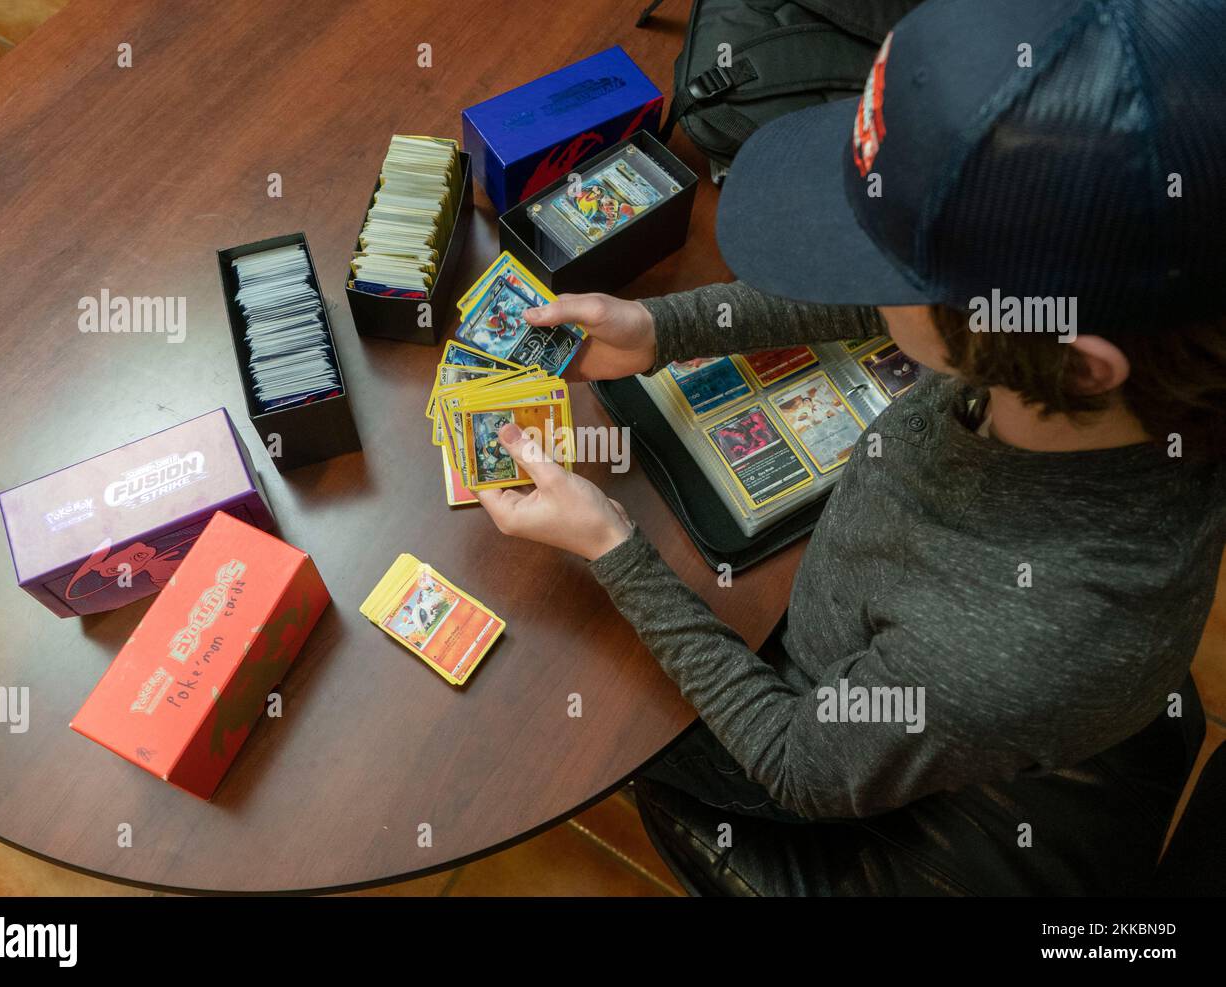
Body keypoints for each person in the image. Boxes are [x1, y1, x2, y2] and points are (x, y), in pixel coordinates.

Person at [477, 0, 1226, 894]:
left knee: (545, 698)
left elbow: (791, 761)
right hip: (867, 618)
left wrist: (613, 545)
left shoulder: (1001, 643)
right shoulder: (1130, 351)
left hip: (804, 726)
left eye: (884, 261)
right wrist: (662, 328)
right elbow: (913, 308)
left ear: (1069, 361)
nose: (854, 270)